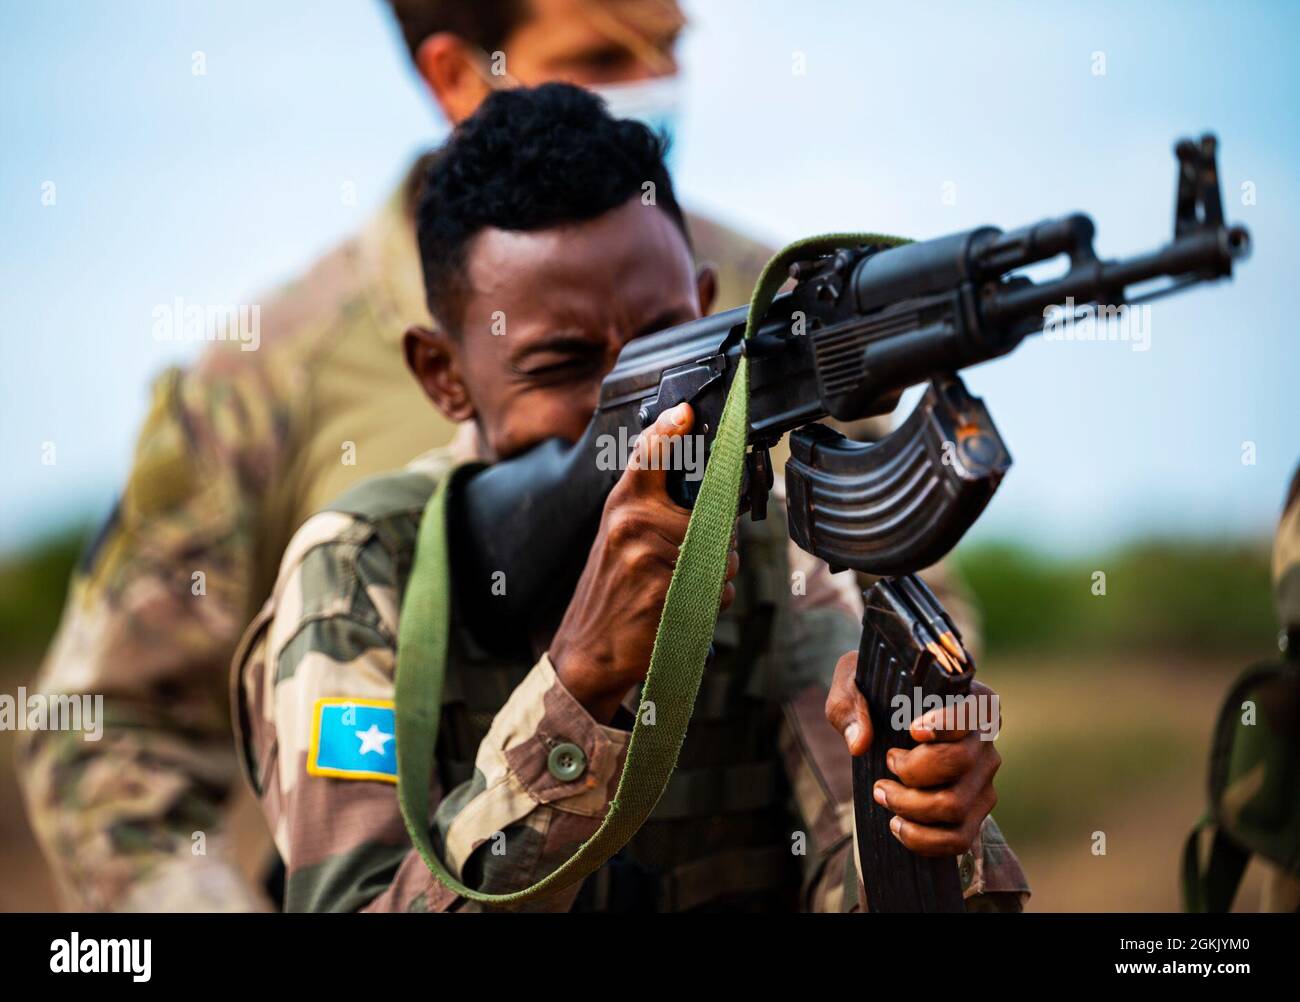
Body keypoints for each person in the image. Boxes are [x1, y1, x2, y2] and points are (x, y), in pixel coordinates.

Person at [16, 0, 778, 913]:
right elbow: (107, 727)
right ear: (457, 74)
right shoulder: (272, 371)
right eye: (601, 56)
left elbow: (890, 605)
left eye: (668, 50)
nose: (651, 87)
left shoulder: (758, 302)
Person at [232, 83, 1027, 912]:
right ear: (443, 375)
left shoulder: (766, 540)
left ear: (707, 300)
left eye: (665, 343)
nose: (653, 418)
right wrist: (579, 683)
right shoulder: (364, 569)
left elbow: (856, 873)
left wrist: (922, 818)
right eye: (562, 365)